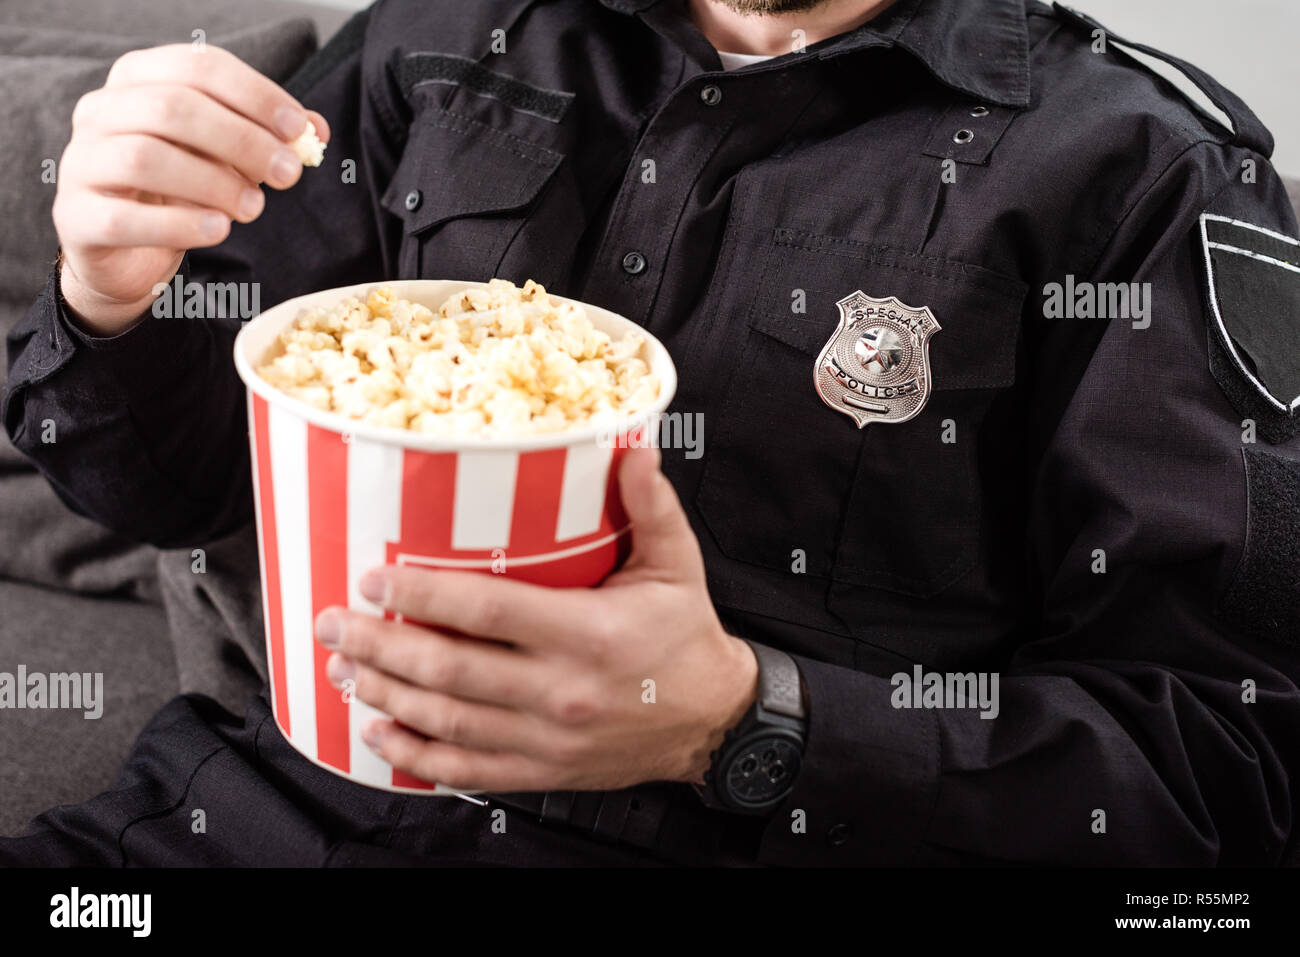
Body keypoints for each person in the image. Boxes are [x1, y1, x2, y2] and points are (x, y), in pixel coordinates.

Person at [3, 0, 1299, 866]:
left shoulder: (1146, 178)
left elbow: (1234, 771)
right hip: (264, 818)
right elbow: (172, 484)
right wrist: (113, 297)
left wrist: (740, 720)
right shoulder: (451, 34)